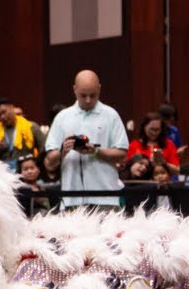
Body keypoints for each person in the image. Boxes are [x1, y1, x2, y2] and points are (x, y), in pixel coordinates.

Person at [45, 70, 129, 211]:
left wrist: (96, 151)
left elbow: (122, 153)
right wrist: (63, 151)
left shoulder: (111, 115)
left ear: (100, 89)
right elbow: (49, 163)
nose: (88, 100)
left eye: (93, 95)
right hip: (71, 198)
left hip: (106, 196)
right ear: (74, 90)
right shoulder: (62, 117)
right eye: (83, 95)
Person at [0, 98, 44, 170]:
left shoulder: (31, 127)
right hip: (4, 174)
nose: (2, 117)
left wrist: (35, 165)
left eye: (4, 112)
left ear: (12, 107)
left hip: (26, 173)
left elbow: (43, 150)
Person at [126, 112, 183, 178]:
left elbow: (177, 171)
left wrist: (164, 163)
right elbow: (127, 169)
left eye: (157, 130)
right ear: (144, 127)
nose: (154, 133)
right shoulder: (134, 145)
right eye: (152, 129)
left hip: (163, 184)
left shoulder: (169, 145)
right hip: (140, 184)